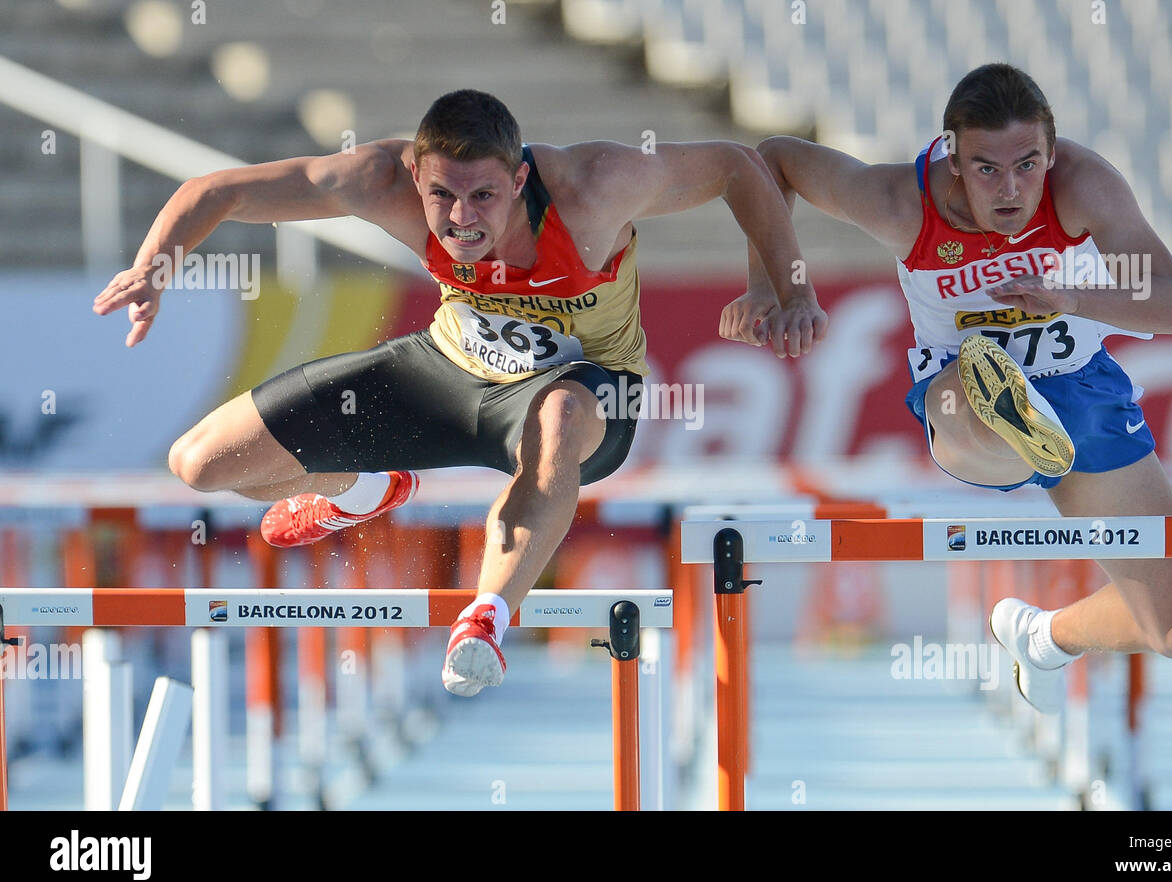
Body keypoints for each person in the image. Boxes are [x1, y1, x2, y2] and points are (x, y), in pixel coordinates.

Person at [94, 89, 827, 696]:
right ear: (415, 177)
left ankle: (486, 618)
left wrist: (785, 289)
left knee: (561, 412)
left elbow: (739, 166)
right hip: (445, 371)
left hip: (591, 392)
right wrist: (158, 262)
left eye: (483, 197)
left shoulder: (596, 187)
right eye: (442, 195)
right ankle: (360, 489)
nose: (461, 219)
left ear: (519, 181)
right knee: (202, 464)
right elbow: (214, 192)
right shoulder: (375, 178)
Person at [722, 63, 1172, 713]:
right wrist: (774, 288)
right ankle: (1011, 411)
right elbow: (772, 161)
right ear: (953, 160)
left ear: (1052, 152)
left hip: (1079, 387)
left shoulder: (1084, 184)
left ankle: (1041, 637)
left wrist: (1072, 295)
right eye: (987, 168)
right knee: (979, 378)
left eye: (1028, 164)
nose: (1011, 189)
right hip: (959, 398)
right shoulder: (903, 202)